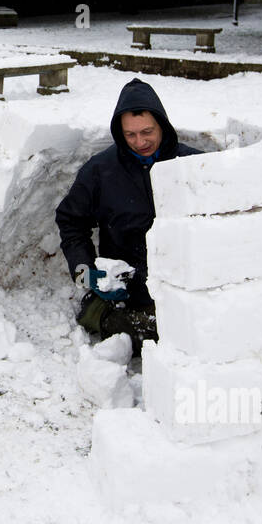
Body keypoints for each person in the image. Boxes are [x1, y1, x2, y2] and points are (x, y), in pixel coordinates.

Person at [55, 77, 202, 352]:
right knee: (120, 323)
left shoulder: (192, 165)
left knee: (198, 323)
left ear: (163, 125)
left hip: (181, 286)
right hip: (127, 290)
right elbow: (71, 221)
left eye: (147, 131)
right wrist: (85, 270)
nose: (140, 141)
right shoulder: (100, 171)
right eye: (130, 135)